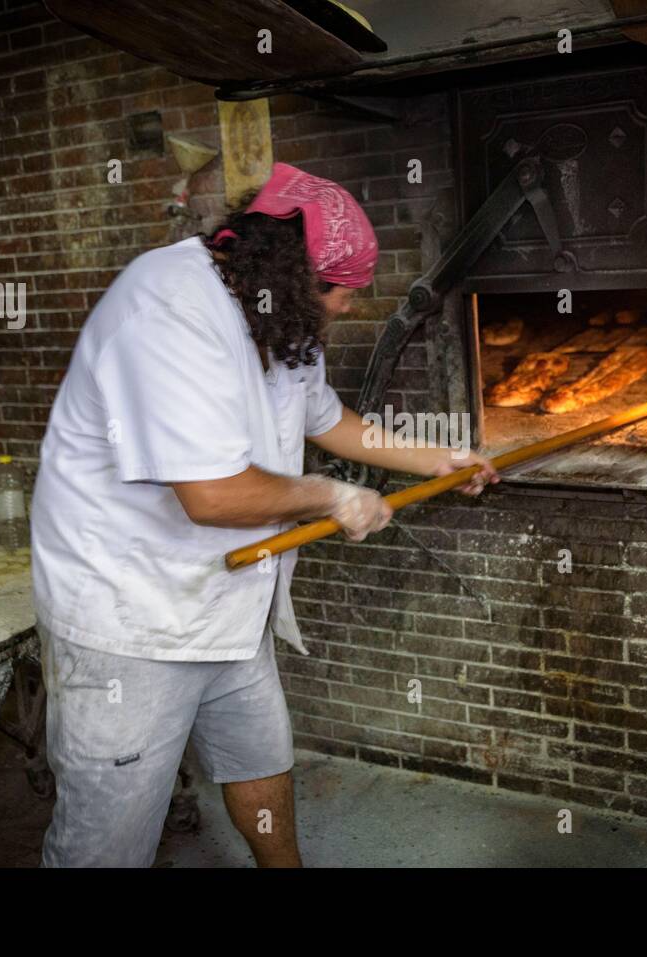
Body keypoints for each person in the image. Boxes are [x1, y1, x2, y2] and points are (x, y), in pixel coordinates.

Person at [29, 162, 498, 867]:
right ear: (293, 272)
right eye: (340, 293)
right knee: (108, 839)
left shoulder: (276, 313)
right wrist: (331, 495)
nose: (346, 309)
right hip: (132, 612)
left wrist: (435, 459)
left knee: (258, 755)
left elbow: (326, 417)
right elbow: (210, 494)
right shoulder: (167, 307)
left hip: (230, 598)